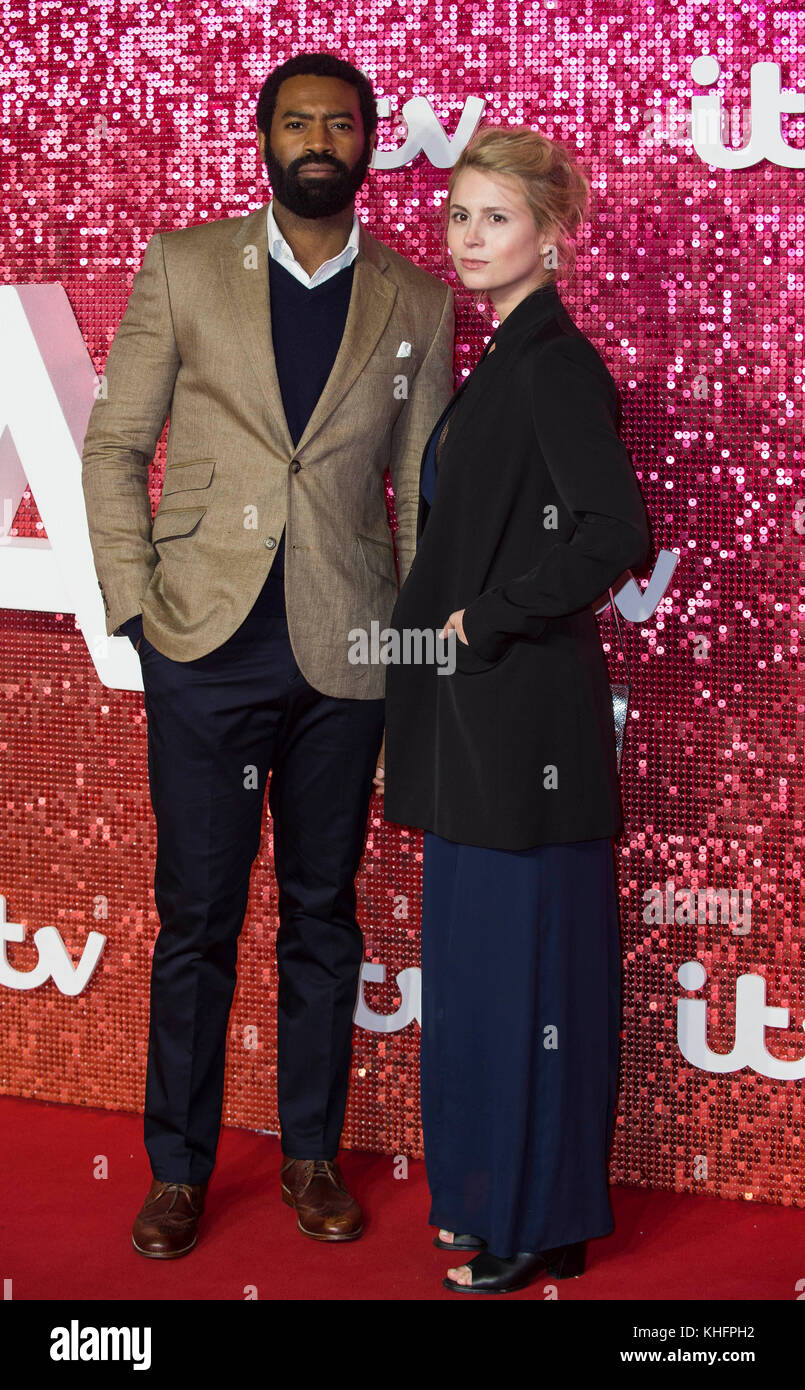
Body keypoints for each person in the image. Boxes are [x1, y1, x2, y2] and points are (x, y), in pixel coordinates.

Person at [81, 51, 454, 1259]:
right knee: (195, 916)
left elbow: (420, 496)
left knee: (320, 912)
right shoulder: (186, 265)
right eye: (295, 121)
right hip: (203, 643)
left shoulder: (418, 300)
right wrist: (137, 607)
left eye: (336, 125)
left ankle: (309, 1158)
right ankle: (177, 1171)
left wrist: (409, 655)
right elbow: (114, 443)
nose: (315, 140)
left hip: (346, 654)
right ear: (263, 141)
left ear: (365, 146)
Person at [380, 125, 651, 1294]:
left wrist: (483, 617)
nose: (470, 238)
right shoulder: (501, 358)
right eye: (458, 217)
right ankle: (489, 1193)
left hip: (524, 724)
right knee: (484, 971)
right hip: (472, 725)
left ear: (553, 233)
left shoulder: (549, 363)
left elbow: (615, 535)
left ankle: (541, 1220)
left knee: (529, 976)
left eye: (496, 216)